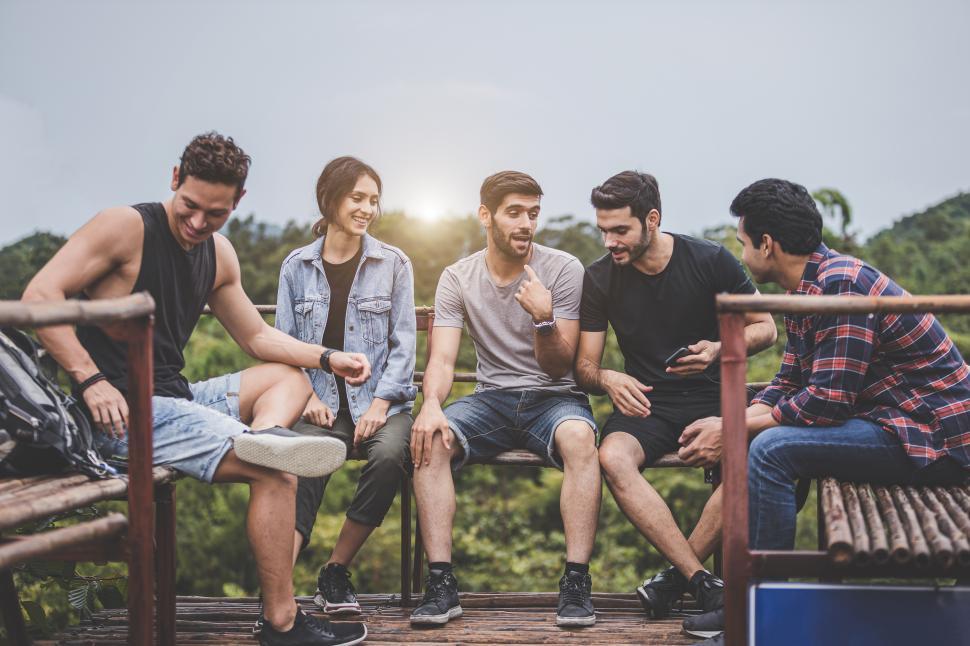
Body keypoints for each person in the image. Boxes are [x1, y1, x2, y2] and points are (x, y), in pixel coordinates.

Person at [22, 132, 369, 646]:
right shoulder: (124, 227)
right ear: (174, 179)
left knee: (286, 378)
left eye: (216, 213)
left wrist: (327, 358)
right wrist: (90, 379)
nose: (198, 223)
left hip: (177, 399)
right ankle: (281, 622)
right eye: (190, 206)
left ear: (238, 202)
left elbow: (255, 335)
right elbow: (39, 296)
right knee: (280, 472)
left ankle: (267, 434)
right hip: (118, 414)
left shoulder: (219, 254)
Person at [686, 178, 970, 643]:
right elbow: (790, 382)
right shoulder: (807, 289)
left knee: (774, 449)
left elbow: (827, 401)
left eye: (742, 243)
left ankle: (765, 616)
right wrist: (734, 421)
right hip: (891, 420)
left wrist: (736, 427)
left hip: (932, 433)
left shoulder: (842, 284)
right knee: (765, 434)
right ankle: (746, 604)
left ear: (767, 244)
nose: (741, 255)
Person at [574, 171, 776, 629]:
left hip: (715, 396)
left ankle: (675, 579)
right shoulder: (601, 277)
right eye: (602, 230)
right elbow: (584, 367)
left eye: (620, 230)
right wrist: (607, 377)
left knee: (756, 459)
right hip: (647, 402)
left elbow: (765, 327)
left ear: (652, 219)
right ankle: (700, 579)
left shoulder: (710, 260)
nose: (609, 241)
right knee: (611, 457)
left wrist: (719, 350)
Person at [409, 171, 601, 627]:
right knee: (430, 439)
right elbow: (441, 359)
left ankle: (575, 583)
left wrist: (543, 318)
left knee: (579, 438)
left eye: (533, 214)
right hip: (491, 398)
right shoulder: (458, 277)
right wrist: (432, 404)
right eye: (514, 212)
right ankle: (441, 584)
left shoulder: (563, 269)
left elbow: (561, 367)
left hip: (554, 398)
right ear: (485, 216)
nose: (525, 224)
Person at [276, 156, 416, 615]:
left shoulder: (393, 263)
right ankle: (276, 591)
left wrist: (379, 404)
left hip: (381, 403)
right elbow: (283, 345)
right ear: (331, 199)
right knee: (302, 461)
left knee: (392, 455)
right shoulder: (296, 267)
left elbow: (404, 345)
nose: (367, 209)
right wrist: (309, 397)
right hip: (317, 403)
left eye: (374, 200)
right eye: (358, 198)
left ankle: (335, 571)